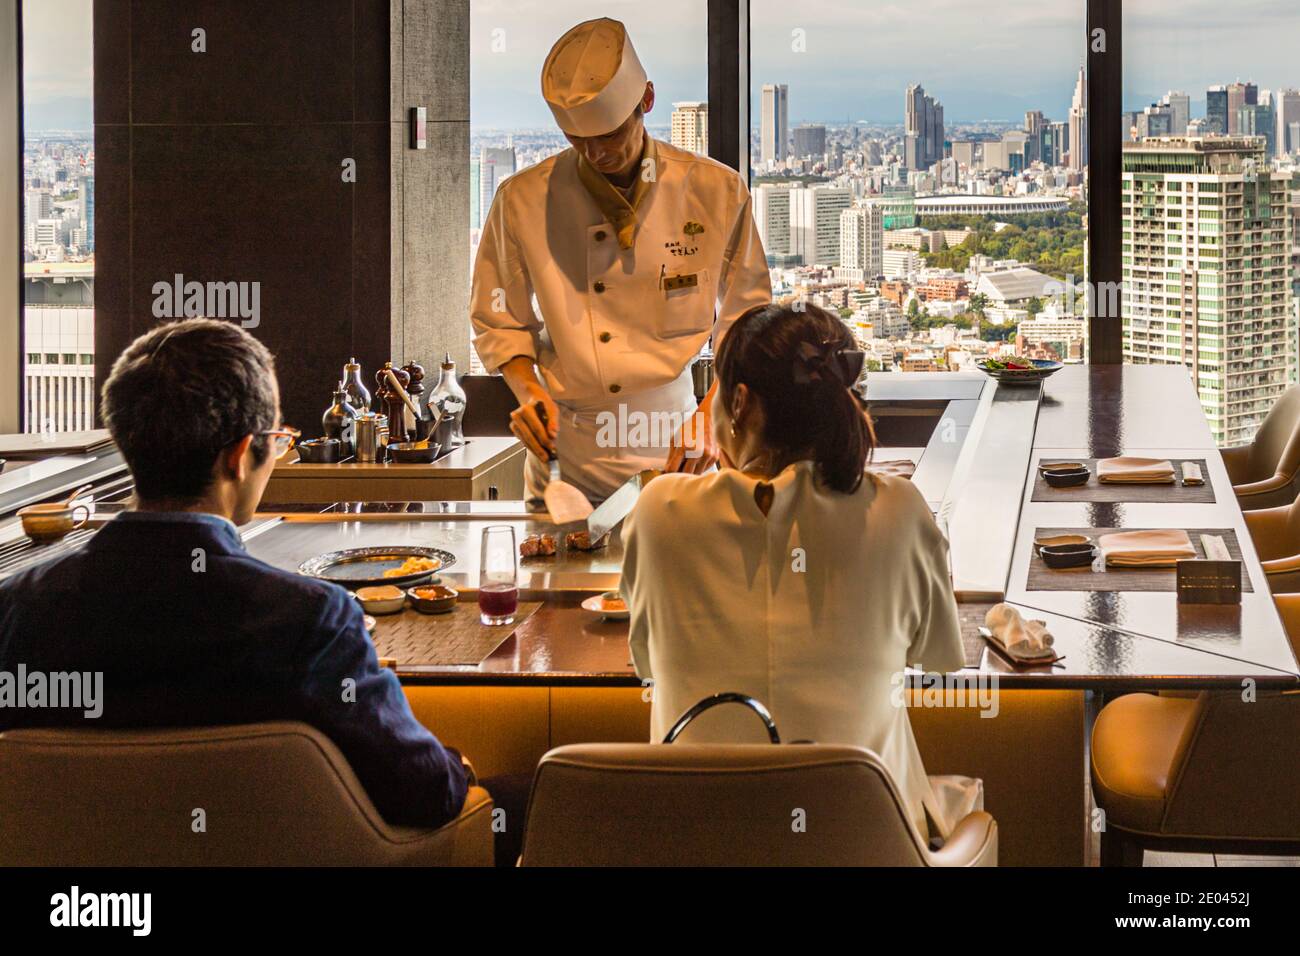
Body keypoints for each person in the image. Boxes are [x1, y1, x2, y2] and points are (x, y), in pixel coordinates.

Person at [0, 319, 468, 830]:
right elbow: (424, 793)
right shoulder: (310, 623)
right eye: (275, 438)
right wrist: (459, 770)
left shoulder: (17, 611)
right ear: (241, 455)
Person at [620, 303, 980, 842]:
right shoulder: (898, 510)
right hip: (866, 844)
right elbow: (938, 657)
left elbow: (647, 664)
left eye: (713, 389)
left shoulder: (658, 511)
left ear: (739, 402)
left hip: (696, 843)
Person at [471, 17, 771, 506]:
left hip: (677, 443)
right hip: (567, 453)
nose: (595, 153)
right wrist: (528, 392)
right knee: (558, 582)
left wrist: (713, 412)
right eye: (577, 140)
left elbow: (748, 317)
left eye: (608, 135)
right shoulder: (522, 199)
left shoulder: (715, 191)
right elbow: (498, 318)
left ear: (646, 101)